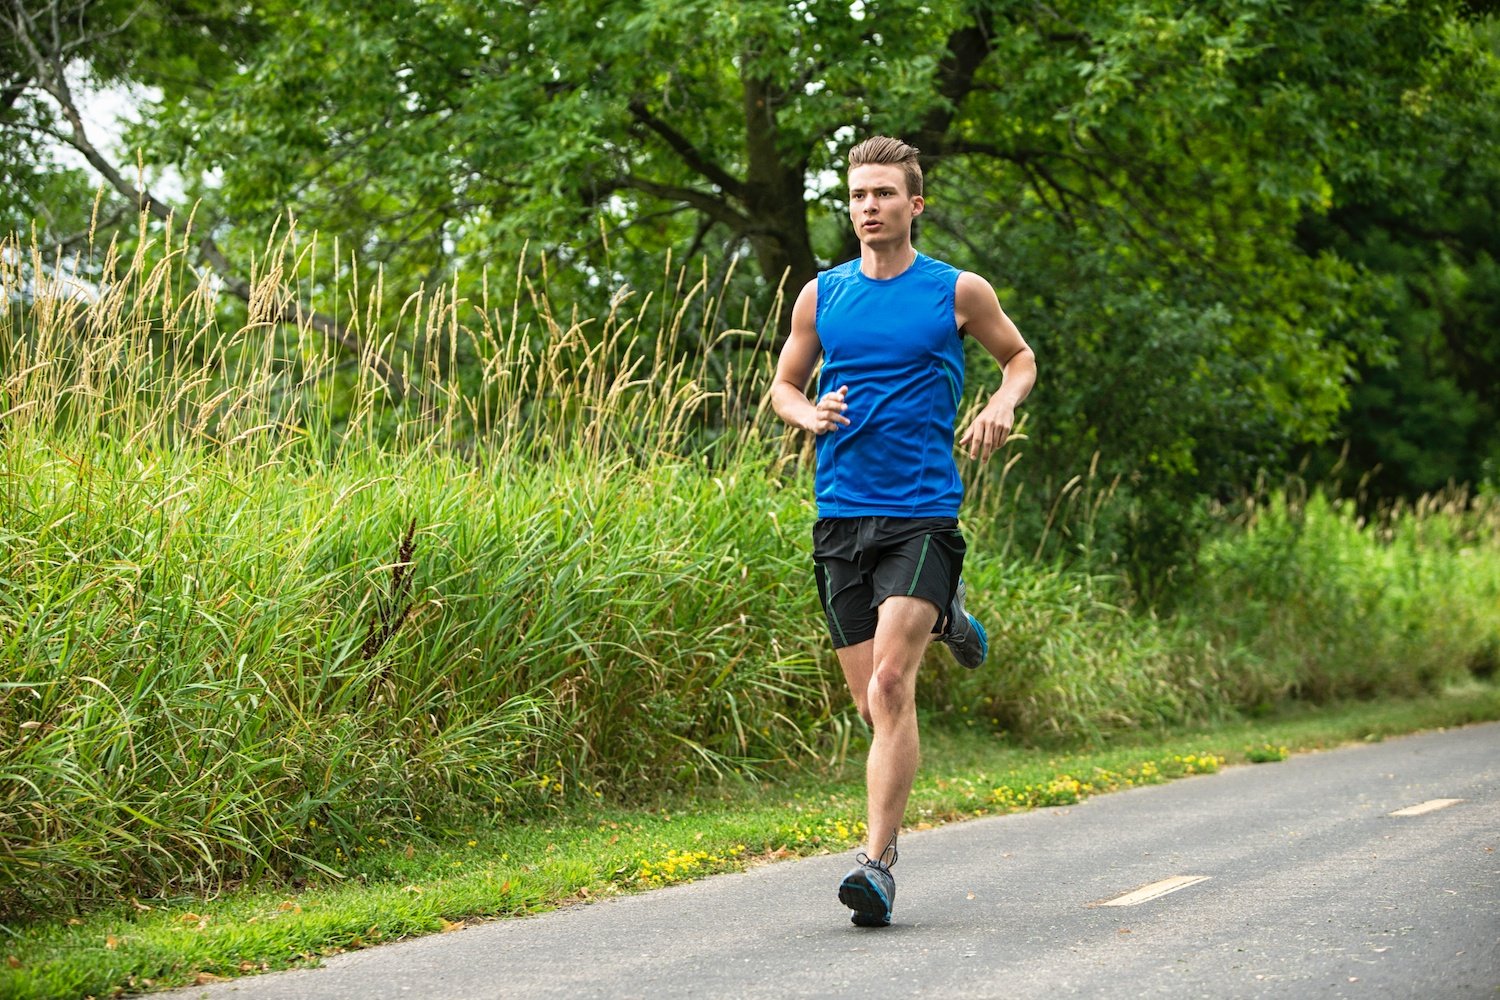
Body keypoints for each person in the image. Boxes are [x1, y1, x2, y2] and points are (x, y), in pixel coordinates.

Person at [770, 135, 1036, 927]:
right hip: (839, 515)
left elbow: (1018, 358)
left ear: (914, 204)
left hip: (922, 512)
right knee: (873, 707)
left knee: (892, 685)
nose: (868, 208)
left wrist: (1000, 402)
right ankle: (949, 615)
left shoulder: (957, 290)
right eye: (857, 196)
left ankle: (877, 864)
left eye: (883, 194)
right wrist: (808, 411)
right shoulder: (823, 295)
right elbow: (784, 383)